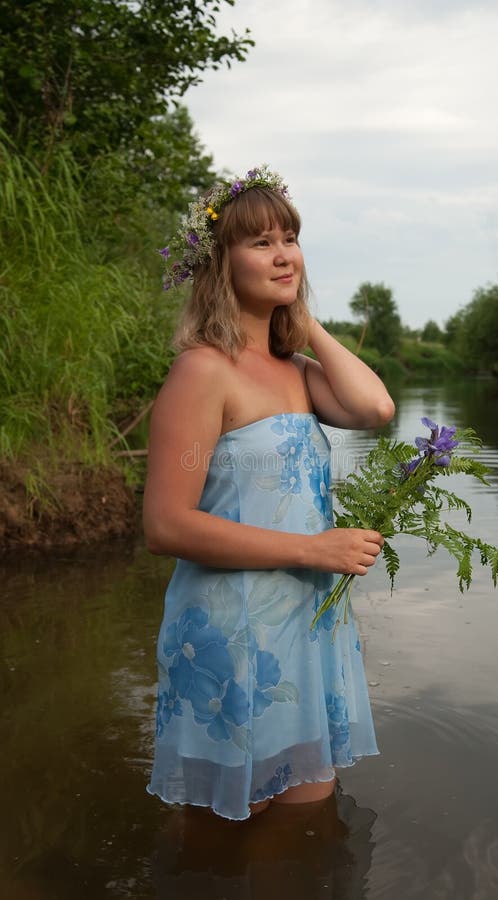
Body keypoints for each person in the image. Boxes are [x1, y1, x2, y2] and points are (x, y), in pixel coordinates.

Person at [143, 165, 395, 822]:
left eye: (290, 237)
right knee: (215, 836)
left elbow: (375, 409)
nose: (283, 254)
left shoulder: (296, 371)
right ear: (219, 263)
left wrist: (303, 324)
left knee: (304, 825)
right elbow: (165, 525)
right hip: (232, 627)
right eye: (259, 242)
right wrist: (314, 550)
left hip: (305, 625)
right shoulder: (202, 370)